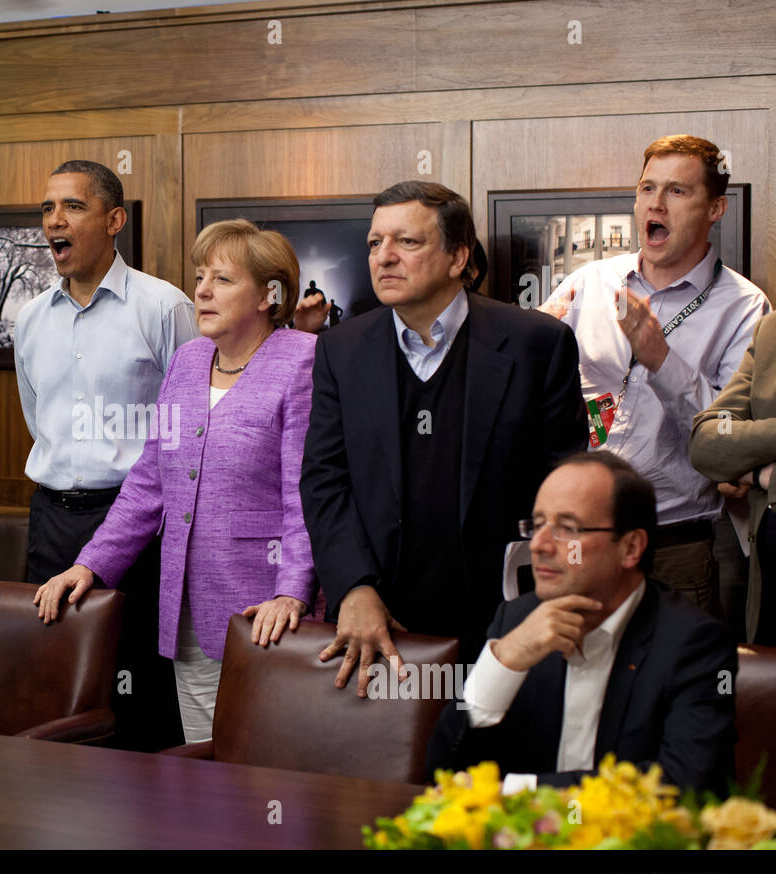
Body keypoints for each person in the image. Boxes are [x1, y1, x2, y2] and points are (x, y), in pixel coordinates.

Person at [301, 180, 587, 695]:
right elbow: (324, 479)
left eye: (406, 242)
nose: (384, 257)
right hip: (382, 619)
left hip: (507, 617)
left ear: (458, 257)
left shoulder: (537, 344)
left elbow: (565, 486)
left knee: (501, 769)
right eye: (374, 243)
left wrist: (544, 601)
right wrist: (353, 586)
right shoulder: (340, 350)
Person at [35, 220, 316, 743]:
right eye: (200, 276)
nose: (203, 290)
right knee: (205, 765)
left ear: (269, 295)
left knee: (270, 772)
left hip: (269, 610)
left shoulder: (301, 360)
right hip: (189, 604)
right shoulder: (188, 362)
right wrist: (90, 564)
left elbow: (308, 496)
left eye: (223, 280)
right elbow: (148, 483)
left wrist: (293, 592)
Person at [540, 134, 768, 611]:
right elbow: (529, 397)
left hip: (674, 545)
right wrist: (534, 348)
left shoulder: (745, 308)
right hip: (575, 539)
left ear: (715, 209)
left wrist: (660, 359)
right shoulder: (589, 282)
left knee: (673, 683)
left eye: (677, 192)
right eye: (647, 189)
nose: (655, 205)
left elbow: (727, 445)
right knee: (573, 677)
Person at [15, 159, 198, 750]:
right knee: (53, 676)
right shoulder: (31, 319)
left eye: (72, 206)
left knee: (137, 685)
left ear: (115, 219)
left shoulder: (163, 308)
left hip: (138, 523)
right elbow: (37, 417)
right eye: (47, 208)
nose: (54, 221)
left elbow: (194, 424)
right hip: (49, 520)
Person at [426, 452, 736, 796]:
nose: (539, 546)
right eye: (537, 524)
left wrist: (514, 792)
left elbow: (685, 783)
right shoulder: (515, 620)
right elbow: (443, 770)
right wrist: (504, 661)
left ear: (631, 547)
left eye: (567, 529)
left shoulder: (693, 642)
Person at [690, 314, 776, 644]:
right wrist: (762, 473)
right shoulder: (770, 331)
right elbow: (707, 440)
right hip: (769, 584)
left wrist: (755, 472)